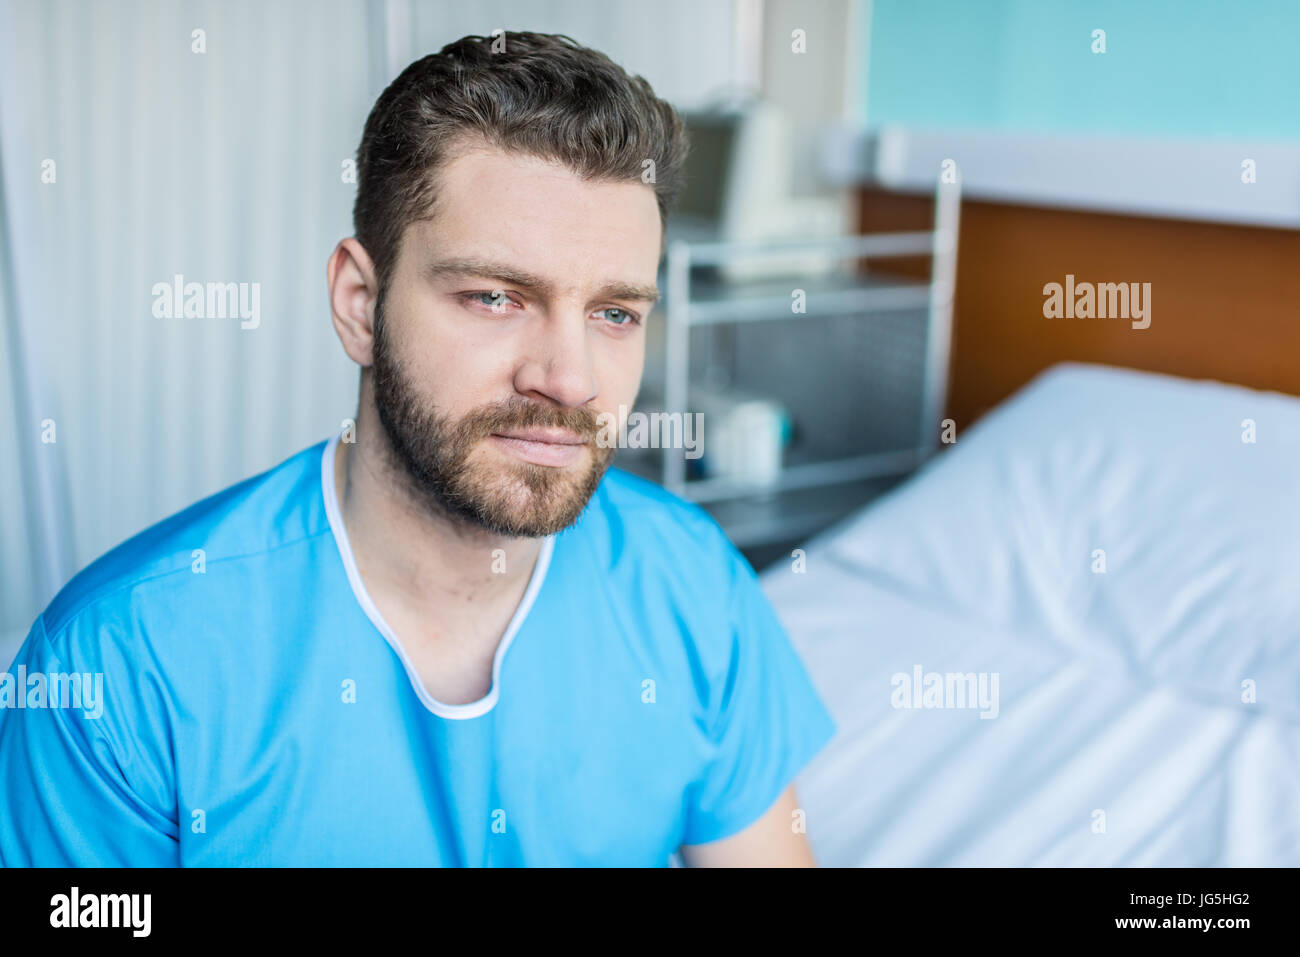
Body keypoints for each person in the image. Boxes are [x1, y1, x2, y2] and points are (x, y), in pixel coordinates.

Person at [0, 31, 835, 866]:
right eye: (497, 297)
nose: (570, 379)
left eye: (614, 313)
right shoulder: (118, 662)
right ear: (361, 304)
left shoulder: (692, 587)